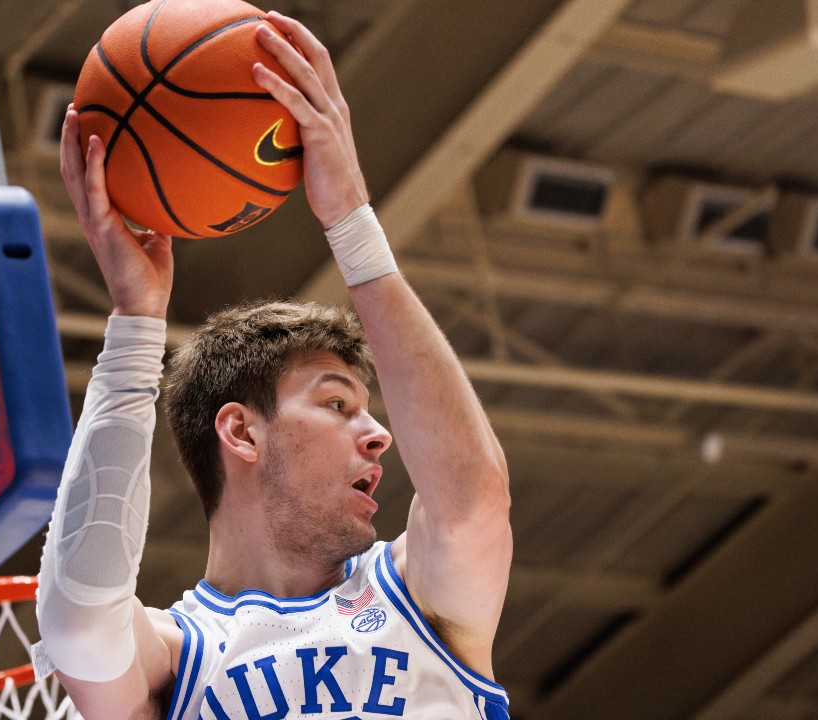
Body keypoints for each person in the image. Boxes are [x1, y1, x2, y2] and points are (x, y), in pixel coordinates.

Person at [36, 11, 512, 720]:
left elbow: (473, 501)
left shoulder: (415, 596)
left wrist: (351, 217)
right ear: (242, 433)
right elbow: (79, 624)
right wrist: (136, 323)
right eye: (336, 404)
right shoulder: (175, 655)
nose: (378, 434)